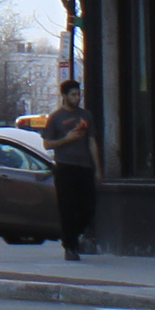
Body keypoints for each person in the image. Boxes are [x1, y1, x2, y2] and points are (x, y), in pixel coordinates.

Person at [42, 79, 98, 260]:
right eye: (73, 94)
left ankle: (78, 234)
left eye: (78, 94)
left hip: (84, 166)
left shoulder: (86, 115)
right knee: (67, 208)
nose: (77, 97)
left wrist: (97, 168)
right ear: (64, 96)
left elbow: (92, 142)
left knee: (88, 206)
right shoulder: (56, 118)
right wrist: (67, 139)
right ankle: (70, 246)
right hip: (65, 166)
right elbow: (47, 144)